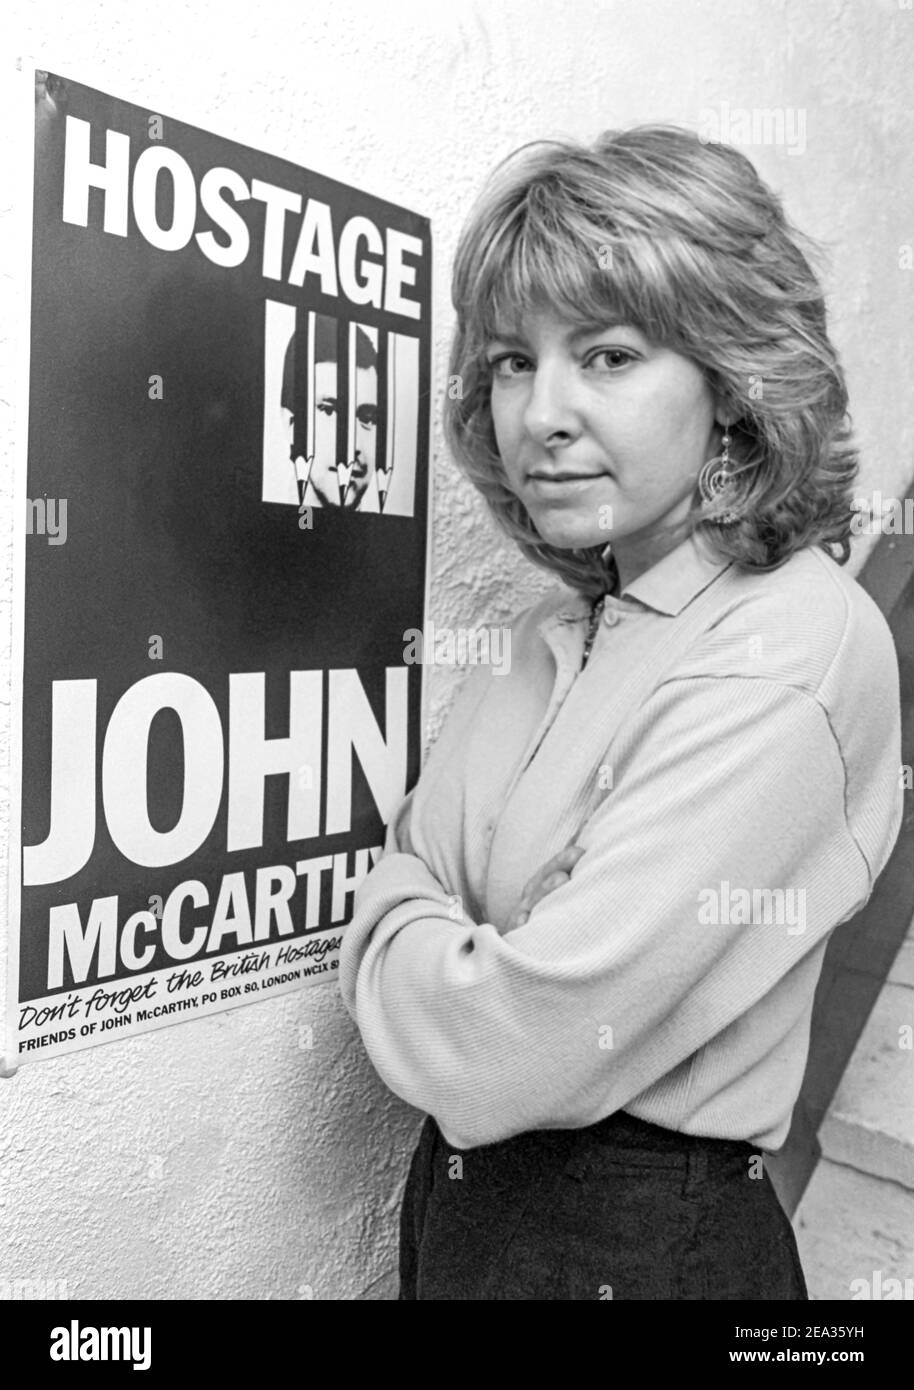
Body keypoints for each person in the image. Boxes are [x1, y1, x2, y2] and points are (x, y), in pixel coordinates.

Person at [338, 125, 903, 1300]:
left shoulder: (792, 643)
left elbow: (504, 1049)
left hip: (645, 1249)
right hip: (464, 1223)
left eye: (604, 355)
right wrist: (427, 913)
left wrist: (409, 922)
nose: (537, 412)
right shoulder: (552, 635)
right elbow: (420, 879)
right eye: (507, 360)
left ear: (735, 386)